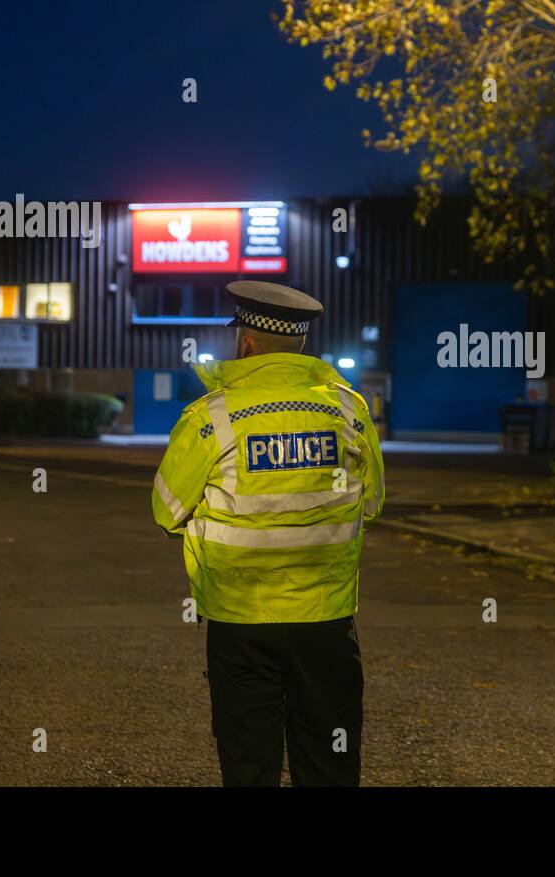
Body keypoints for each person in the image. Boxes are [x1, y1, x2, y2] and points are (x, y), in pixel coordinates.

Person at [151, 280, 385, 787]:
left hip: (241, 622)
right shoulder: (349, 410)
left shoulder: (212, 417)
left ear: (246, 342)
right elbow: (371, 503)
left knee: (248, 760)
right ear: (300, 343)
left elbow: (167, 511)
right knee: (329, 761)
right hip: (326, 620)